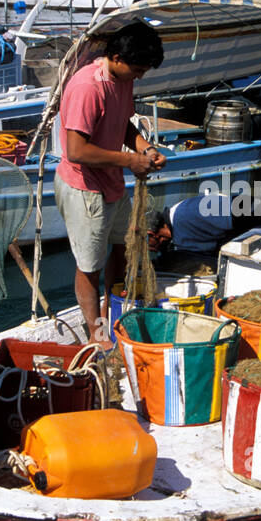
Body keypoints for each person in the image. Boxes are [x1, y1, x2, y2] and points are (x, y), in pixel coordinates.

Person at [55, 22, 167, 347]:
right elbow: (76, 151)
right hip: (84, 189)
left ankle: (113, 311)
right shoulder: (87, 87)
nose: (140, 76)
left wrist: (145, 148)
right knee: (89, 265)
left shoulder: (123, 79)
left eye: (144, 71)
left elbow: (123, 125)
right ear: (115, 57)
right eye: (137, 69)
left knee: (121, 249)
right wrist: (130, 161)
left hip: (112, 184)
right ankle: (97, 333)